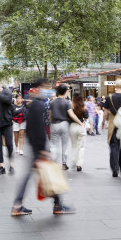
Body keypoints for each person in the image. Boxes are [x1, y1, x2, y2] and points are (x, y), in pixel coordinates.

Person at [13, 79, 74, 216]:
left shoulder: (34, 104)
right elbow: (38, 128)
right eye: (46, 87)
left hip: (35, 146)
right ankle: (57, 205)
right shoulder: (38, 105)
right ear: (39, 88)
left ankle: (19, 204)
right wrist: (42, 149)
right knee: (50, 174)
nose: (48, 89)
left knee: (35, 175)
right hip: (38, 147)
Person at [50, 84, 84, 170]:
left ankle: (53, 162)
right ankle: (64, 164)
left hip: (54, 124)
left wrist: (51, 124)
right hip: (64, 124)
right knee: (64, 145)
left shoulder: (52, 102)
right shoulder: (66, 102)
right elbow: (71, 115)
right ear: (65, 91)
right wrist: (80, 122)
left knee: (54, 145)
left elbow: (50, 115)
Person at [103, 80, 121, 177]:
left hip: (113, 124)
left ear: (115, 86)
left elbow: (105, 112)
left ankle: (115, 169)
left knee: (114, 146)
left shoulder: (109, 97)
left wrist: (103, 122)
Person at [70, 94, 87, 172]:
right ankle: (79, 164)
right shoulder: (83, 106)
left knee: (74, 145)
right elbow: (86, 117)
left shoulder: (71, 106)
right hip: (81, 126)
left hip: (72, 126)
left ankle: (74, 160)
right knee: (81, 147)